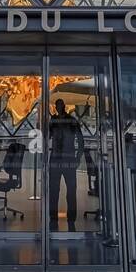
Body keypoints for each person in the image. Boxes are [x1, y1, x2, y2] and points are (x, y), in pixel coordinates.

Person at [47, 99, 83, 231]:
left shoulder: (71, 121)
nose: (58, 107)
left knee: (71, 191)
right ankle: (53, 216)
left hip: (67, 159)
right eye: (57, 105)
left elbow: (80, 139)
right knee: (54, 190)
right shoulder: (54, 121)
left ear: (65, 106)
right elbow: (47, 137)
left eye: (60, 105)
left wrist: (78, 157)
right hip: (56, 159)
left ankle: (71, 217)